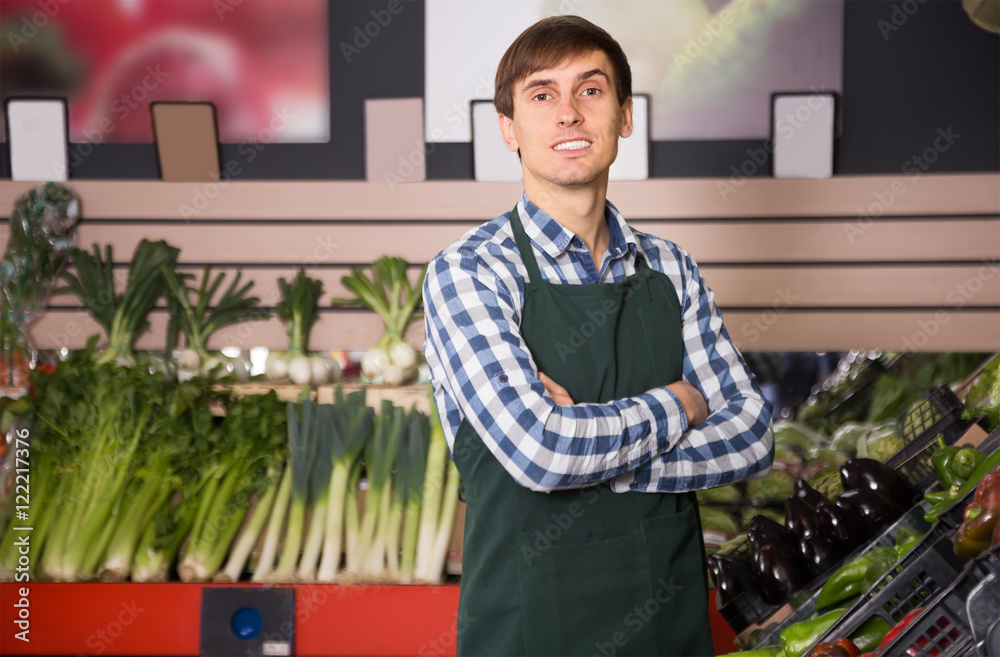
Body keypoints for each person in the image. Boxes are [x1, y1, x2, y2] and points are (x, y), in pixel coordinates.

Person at [422, 15, 774, 657]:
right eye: (542, 95)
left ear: (624, 115)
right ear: (509, 129)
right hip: (528, 631)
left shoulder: (671, 268)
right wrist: (682, 403)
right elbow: (542, 453)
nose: (569, 113)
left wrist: (590, 458)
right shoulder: (470, 273)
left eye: (590, 90)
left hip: (668, 629)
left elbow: (751, 436)